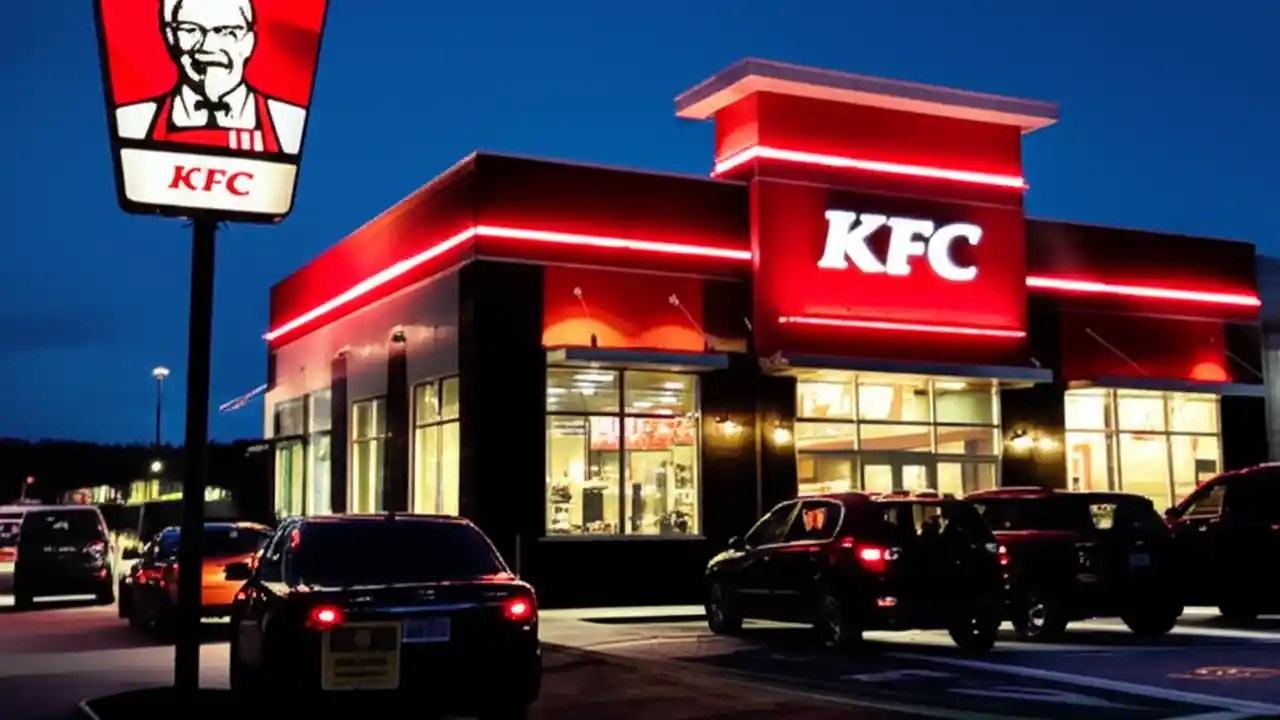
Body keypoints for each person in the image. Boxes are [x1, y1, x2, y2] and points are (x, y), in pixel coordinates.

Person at [114, 0, 305, 155]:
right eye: (190, 30)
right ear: (171, 37)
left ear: (249, 41)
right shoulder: (134, 121)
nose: (207, 46)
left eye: (226, 32)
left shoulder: (286, 121)